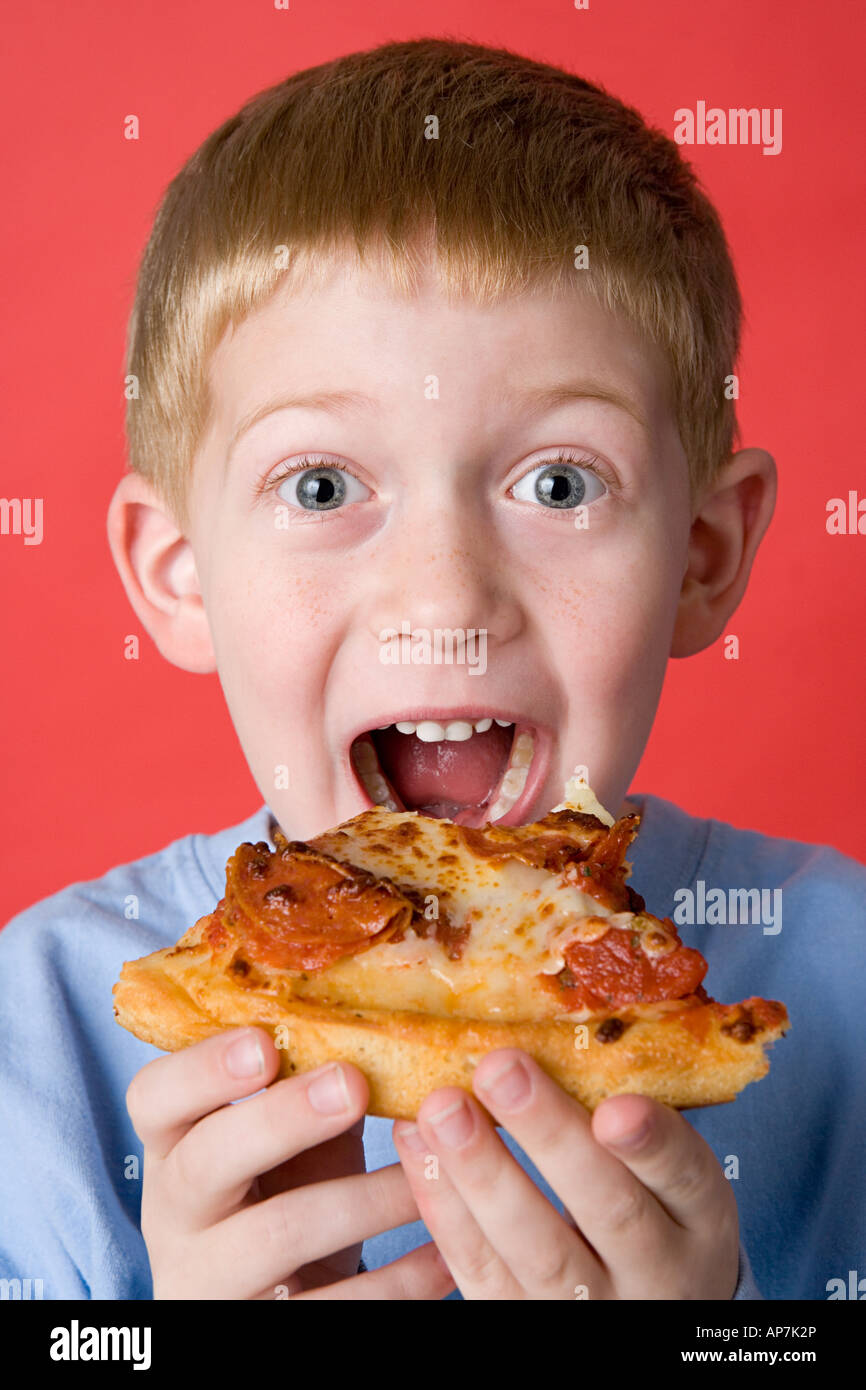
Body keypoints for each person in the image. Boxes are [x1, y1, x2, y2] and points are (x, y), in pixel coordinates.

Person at [1, 37, 863, 1302]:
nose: (444, 592)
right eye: (321, 485)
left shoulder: (838, 971)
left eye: (557, 483)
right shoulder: (43, 1041)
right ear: (179, 572)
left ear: (700, 553)